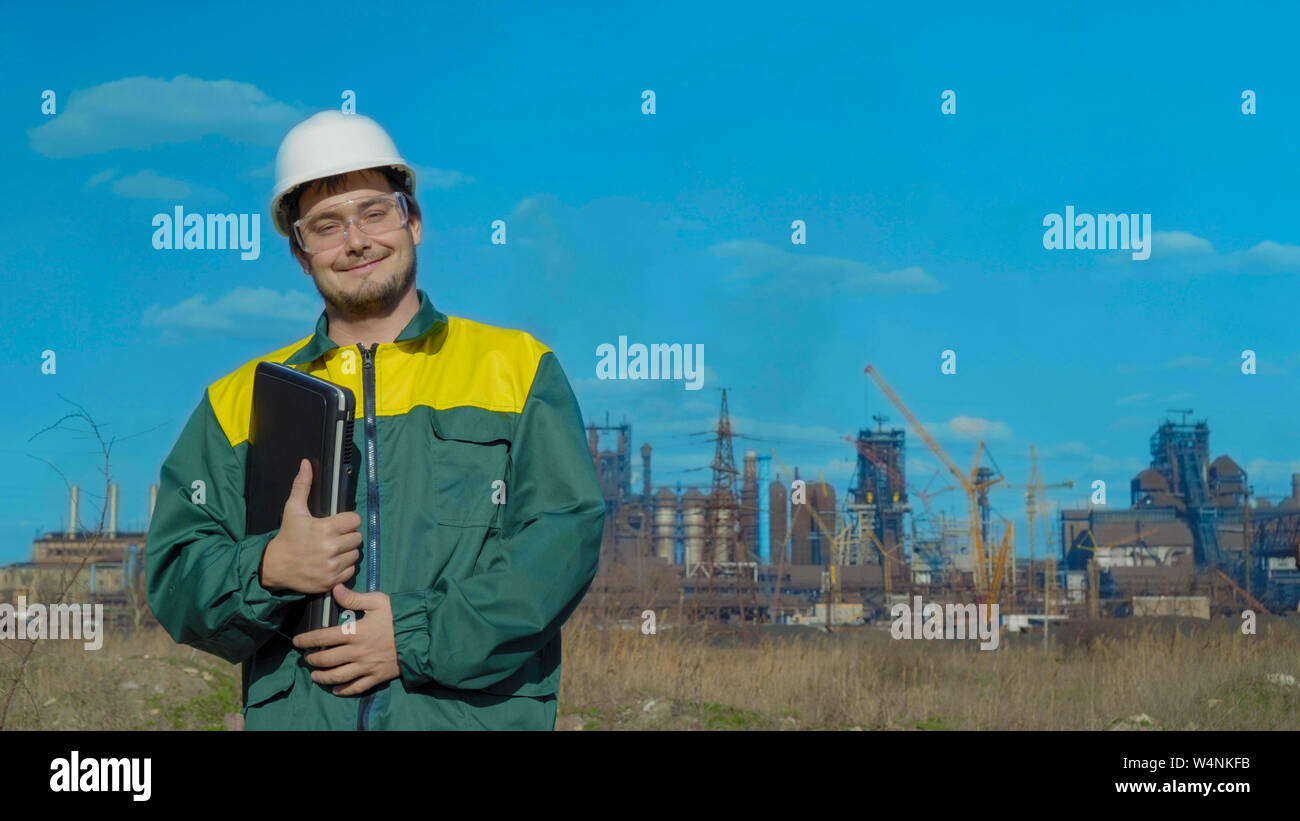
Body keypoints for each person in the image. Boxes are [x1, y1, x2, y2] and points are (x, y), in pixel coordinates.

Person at [145, 111, 604, 730]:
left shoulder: (518, 369)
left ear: (413, 221)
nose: (356, 240)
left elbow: (561, 541)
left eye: (374, 213)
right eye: (326, 226)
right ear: (301, 253)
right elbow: (176, 573)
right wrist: (269, 568)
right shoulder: (239, 401)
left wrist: (416, 636)